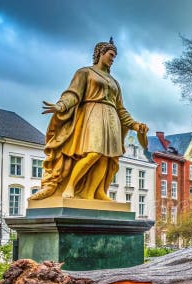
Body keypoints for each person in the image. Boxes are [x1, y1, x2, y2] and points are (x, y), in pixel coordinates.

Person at [30, 38, 149, 201]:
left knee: (105, 159)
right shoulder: (85, 72)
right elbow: (73, 93)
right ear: (100, 53)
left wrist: (135, 125)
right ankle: (70, 184)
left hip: (112, 120)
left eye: (115, 56)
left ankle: (95, 192)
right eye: (111, 54)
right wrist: (61, 105)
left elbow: (120, 108)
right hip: (92, 114)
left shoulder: (115, 82)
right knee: (93, 153)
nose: (113, 59)